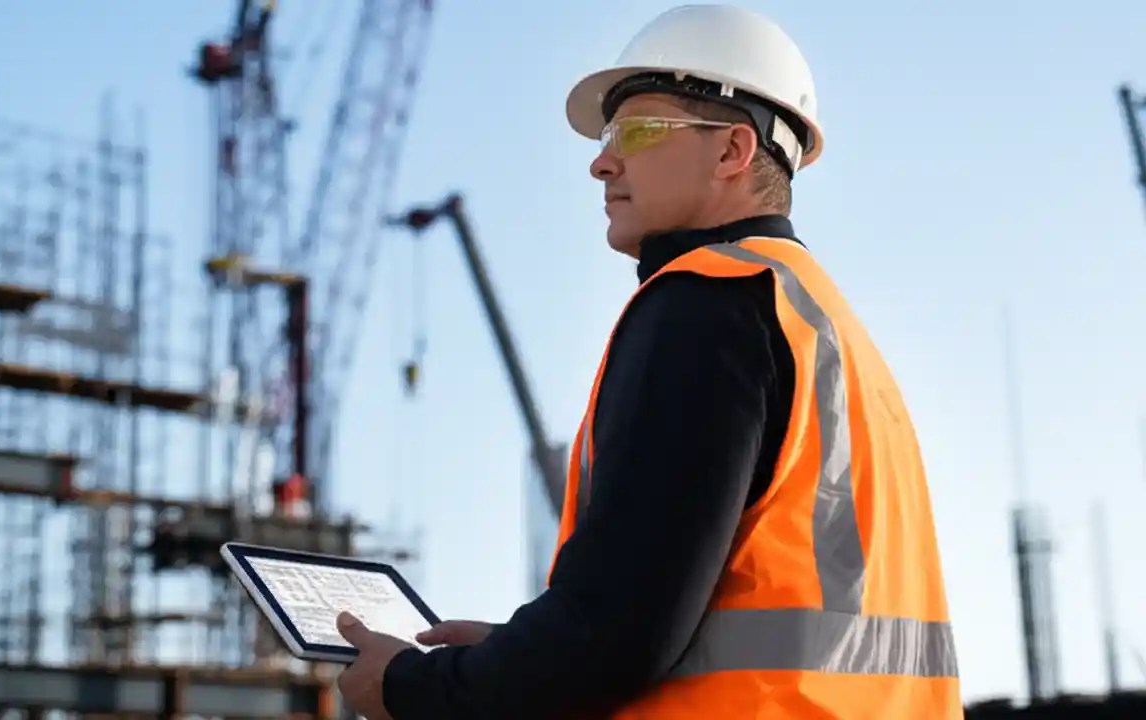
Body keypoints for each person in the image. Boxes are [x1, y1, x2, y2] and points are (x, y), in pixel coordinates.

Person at [335, 5, 964, 718]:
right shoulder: (823, 325)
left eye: (635, 130)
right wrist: (513, 652)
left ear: (731, 151)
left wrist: (410, 687)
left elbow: (617, 628)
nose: (602, 160)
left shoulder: (707, 302)